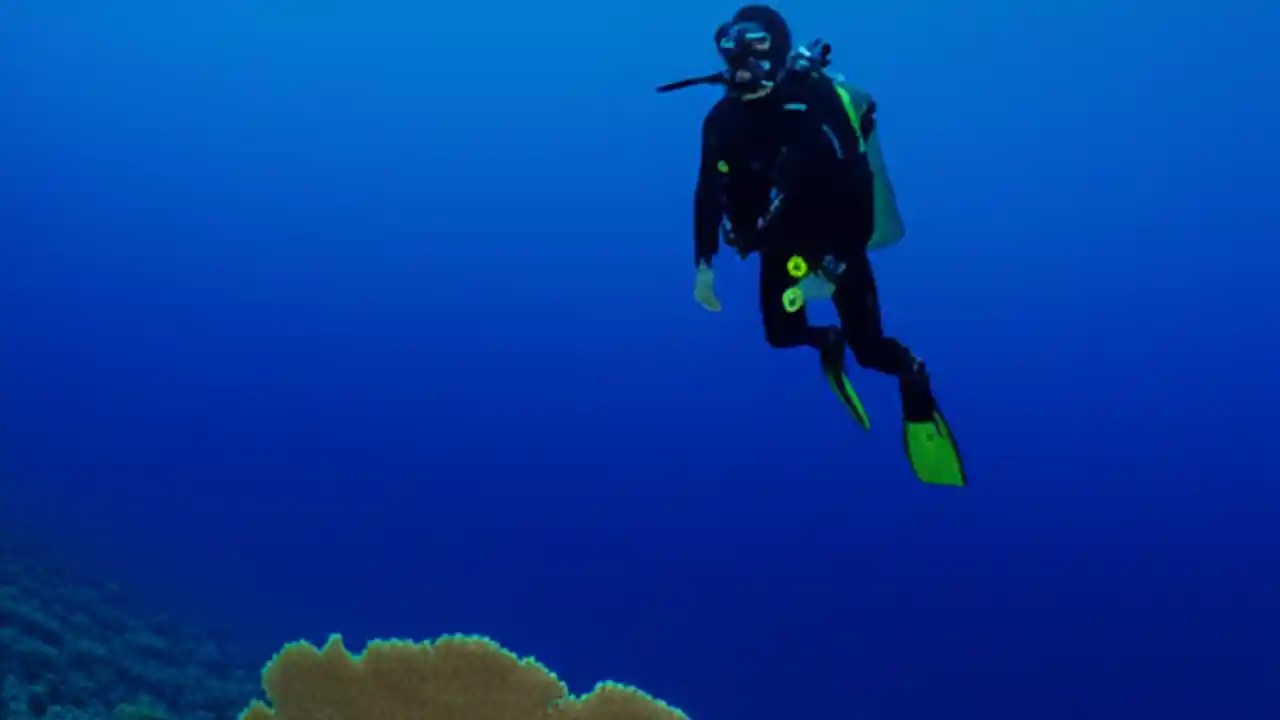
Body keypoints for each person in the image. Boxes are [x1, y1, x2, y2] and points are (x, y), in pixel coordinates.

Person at [657, 4, 965, 486]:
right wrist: (703, 267)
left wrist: (841, 256)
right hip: (778, 245)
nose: (741, 58)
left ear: (775, 49)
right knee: (780, 336)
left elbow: (856, 178)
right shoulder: (720, 120)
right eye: (732, 44)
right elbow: (706, 191)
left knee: (871, 351)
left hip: (834, 243)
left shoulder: (812, 100)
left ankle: (914, 378)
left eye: (755, 44)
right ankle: (827, 340)